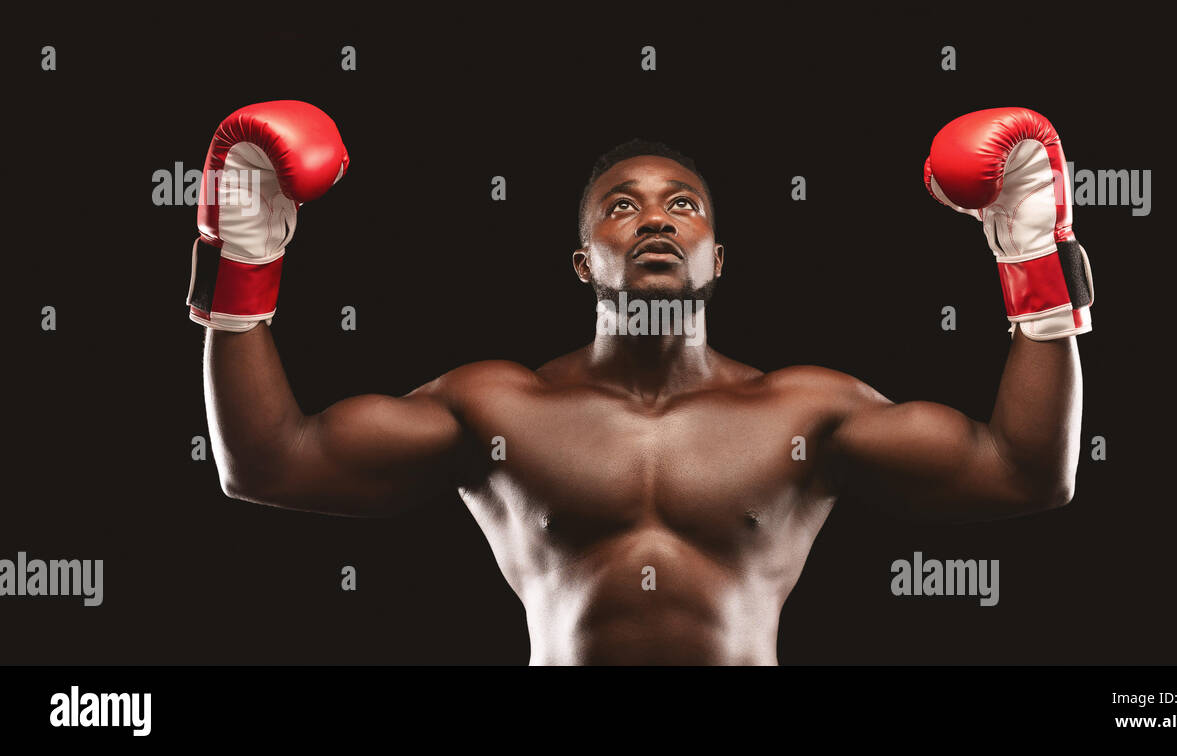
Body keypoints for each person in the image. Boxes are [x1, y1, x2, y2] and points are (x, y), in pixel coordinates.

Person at [188, 101, 1093, 665]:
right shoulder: (499, 406)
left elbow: (1026, 473)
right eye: (622, 206)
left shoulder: (803, 410)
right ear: (583, 263)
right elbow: (269, 463)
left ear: (719, 257)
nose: (655, 219)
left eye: (682, 204)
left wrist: (1033, 267)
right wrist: (244, 263)